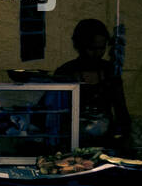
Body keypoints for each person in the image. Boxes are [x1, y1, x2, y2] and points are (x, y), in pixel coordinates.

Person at [53, 18, 130, 147]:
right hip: (71, 140)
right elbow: (55, 112)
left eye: (101, 48)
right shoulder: (66, 71)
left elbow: (121, 109)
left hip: (106, 141)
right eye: (91, 48)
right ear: (79, 46)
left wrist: (125, 136)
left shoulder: (110, 71)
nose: (97, 53)